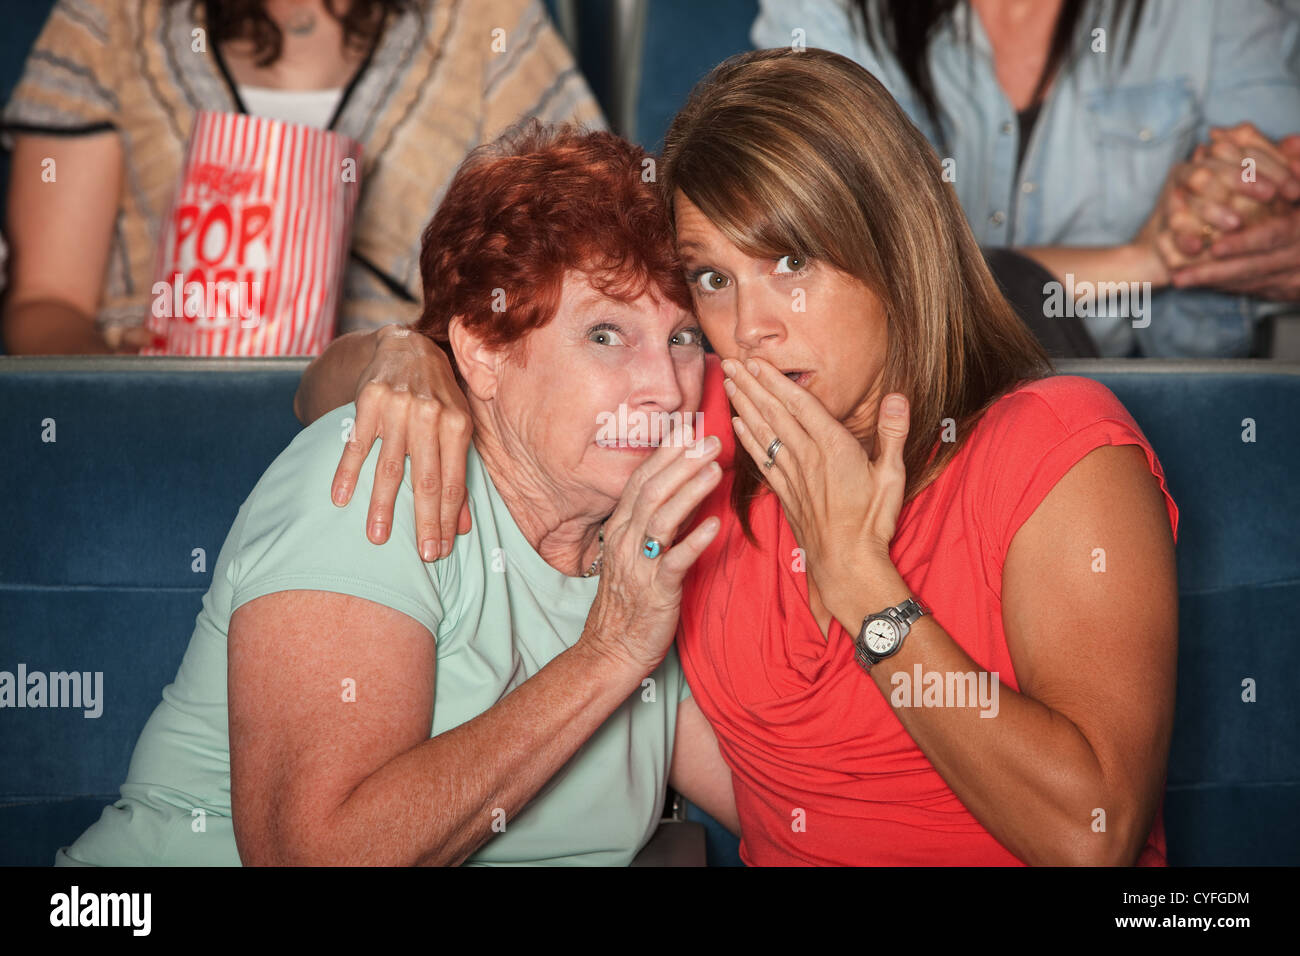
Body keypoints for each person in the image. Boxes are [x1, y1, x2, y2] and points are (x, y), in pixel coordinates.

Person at [299, 49, 1180, 865]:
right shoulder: (695, 417)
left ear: (893, 242)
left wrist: (862, 584)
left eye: (789, 259)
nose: (750, 327)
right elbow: (318, 400)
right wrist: (407, 356)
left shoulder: (1053, 447)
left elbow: (1090, 836)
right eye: (713, 278)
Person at [55, 122, 739, 866]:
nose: (665, 387)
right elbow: (310, 858)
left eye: (682, 338)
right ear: (482, 350)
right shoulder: (378, 473)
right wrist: (607, 653)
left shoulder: (643, 538)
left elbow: (784, 804)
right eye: (605, 334)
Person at [1, 0, 603, 354]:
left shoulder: (483, 18)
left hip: (411, 410)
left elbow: (589, 244)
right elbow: (47, 302)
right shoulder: (110, 21)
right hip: (158, 419)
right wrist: (133, 393)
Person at [750, 0, 1300, 357]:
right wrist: (1145, 260)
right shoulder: (822, 11)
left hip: (1154, 403)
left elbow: (1269, 201)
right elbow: (841, 275)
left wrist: (1245, 212)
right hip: (905, 422)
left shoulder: (1220, 14)